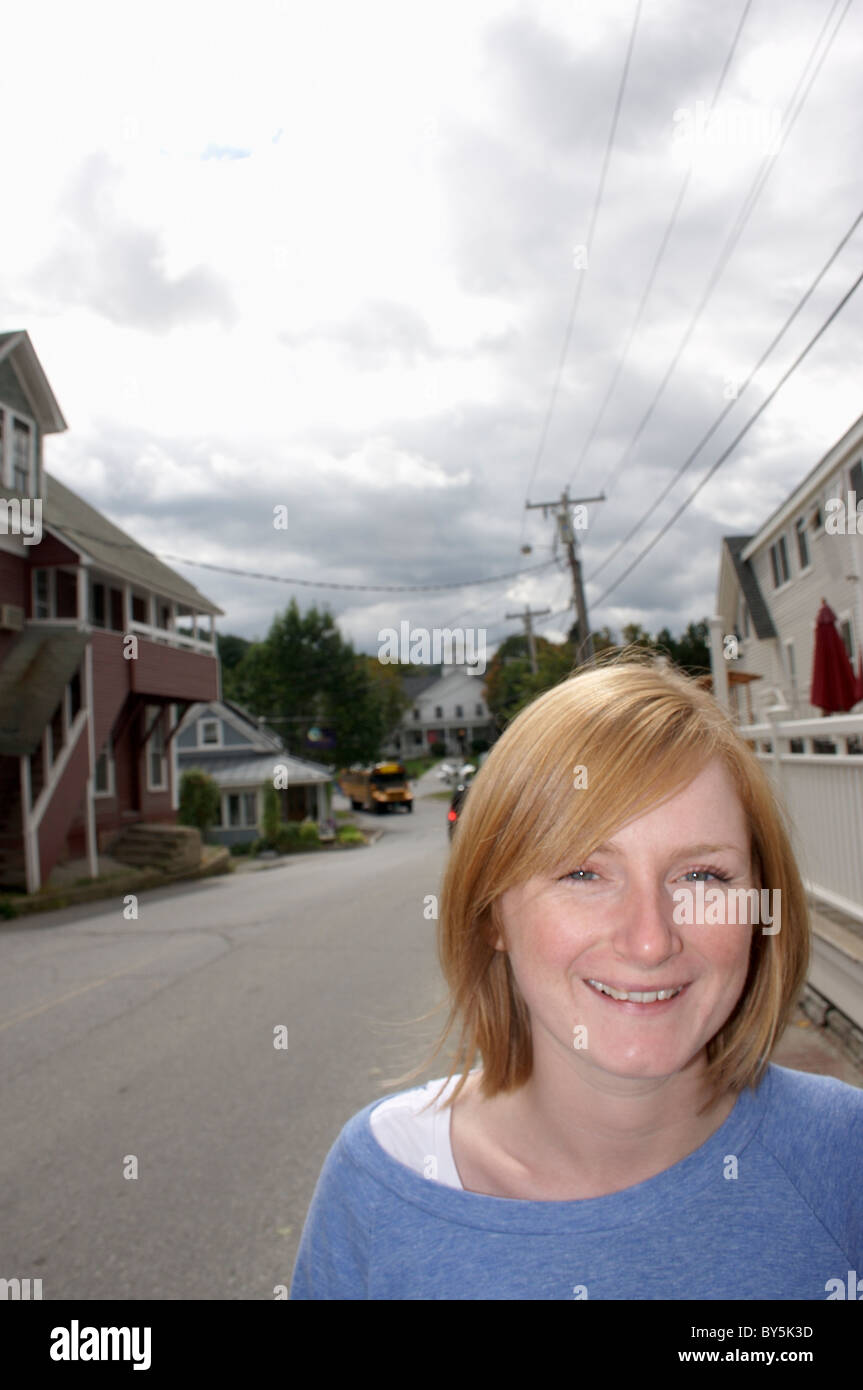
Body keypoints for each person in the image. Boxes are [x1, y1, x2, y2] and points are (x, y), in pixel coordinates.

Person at [290, 657, 863, 1300]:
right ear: (491, 917)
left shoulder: (846, 1160)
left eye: (702, 876)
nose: (650, 940)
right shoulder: (378, 1188)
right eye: (583, 874)